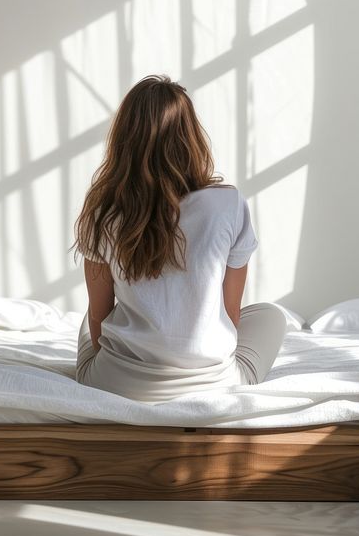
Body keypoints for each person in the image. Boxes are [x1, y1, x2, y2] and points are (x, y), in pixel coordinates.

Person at [72, 75, 286, 402]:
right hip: (213, 384)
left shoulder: (103, 210)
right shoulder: (228, 203)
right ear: (190, 137)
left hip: (115, 382)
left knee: (85, 326)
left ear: (123, 139)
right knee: (271, 315)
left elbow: (99, 318)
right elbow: (231, 316)